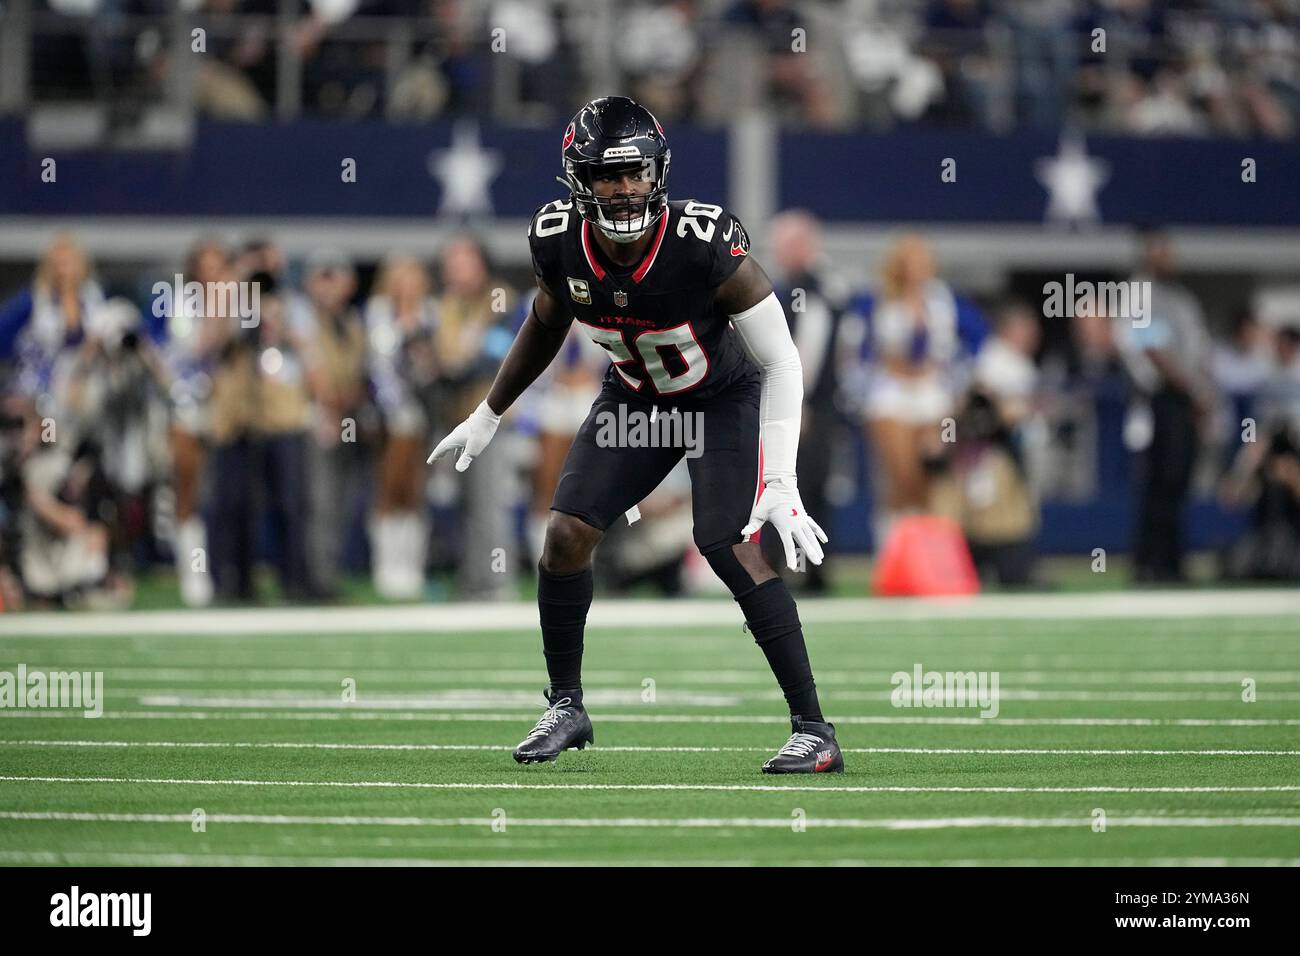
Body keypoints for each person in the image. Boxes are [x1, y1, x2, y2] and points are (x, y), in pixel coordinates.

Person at [429, 96, 839, 773]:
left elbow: (781, 359)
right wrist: (489, 412)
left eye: (636, 173)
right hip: (639, 401)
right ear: (579, 181)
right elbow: (545, 320)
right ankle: (566, 704)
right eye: (607, 176)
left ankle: (815, 728)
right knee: (564, 535)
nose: (624, 189)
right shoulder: (558, 238)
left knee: (726, 544)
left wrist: (782, 478)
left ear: (660, 173)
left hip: (721, 399)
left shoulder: (704, 241)